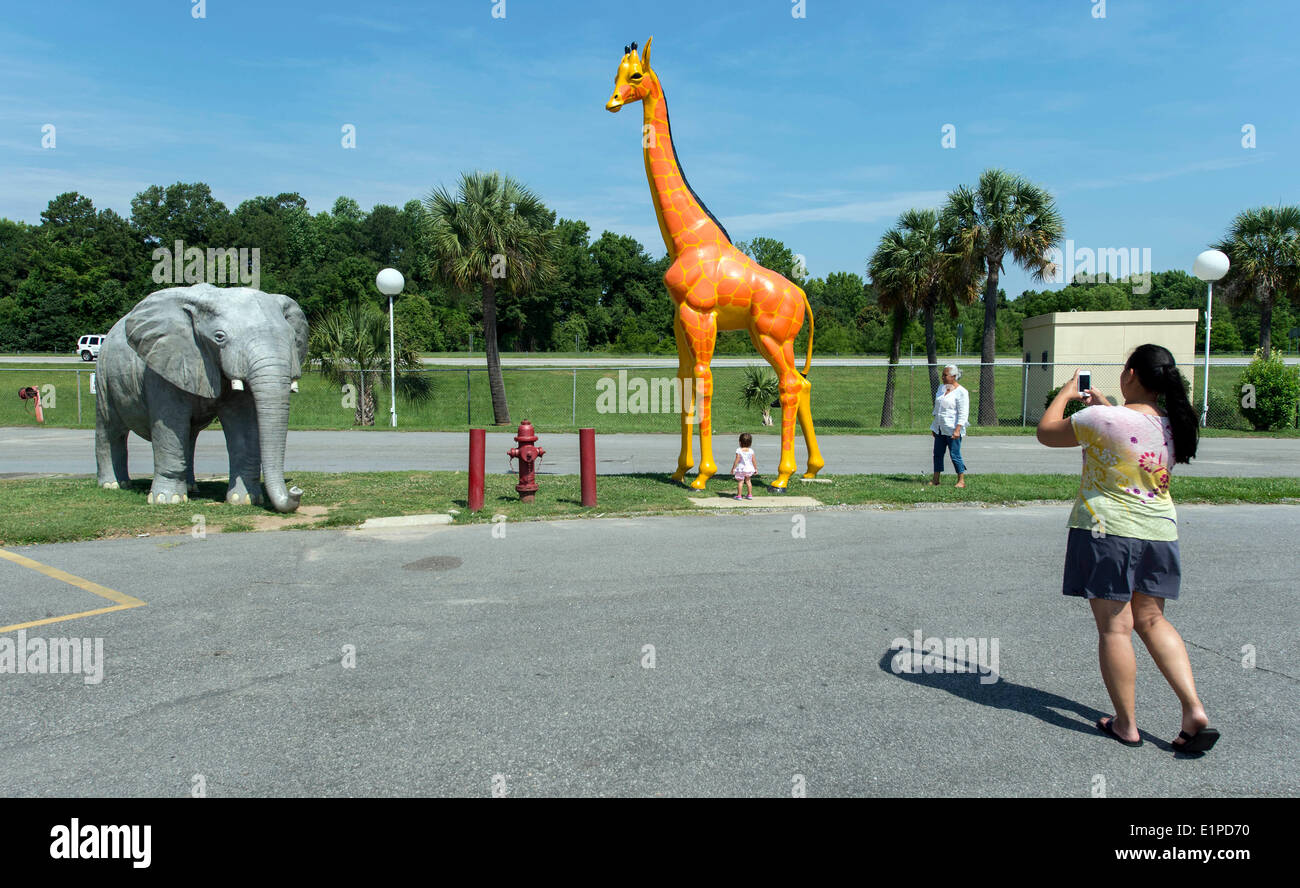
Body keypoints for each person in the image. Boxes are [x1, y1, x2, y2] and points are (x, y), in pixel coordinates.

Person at [1036, 345, 1218, 754]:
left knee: (1115, 627)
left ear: (1131, 374)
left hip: (1107, 532)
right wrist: (1106, 407)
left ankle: (1127, 724)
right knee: (1152, 622)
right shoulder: (1176, 425)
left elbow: (1047, 432)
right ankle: (1193, 708)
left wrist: (1066, 394)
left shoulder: (1100, 418)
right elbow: (1128, 431)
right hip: (1160, 533)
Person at [930, 364, 969, 488]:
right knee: (937, 453)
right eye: (942, 375)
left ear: (954, 376)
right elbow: (937, 409)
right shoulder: (941, 388)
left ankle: (961, 480)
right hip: (940, 428)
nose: (943, 377)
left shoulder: (961, 392)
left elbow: (963, 413)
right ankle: (936, 479)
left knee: (955, 455)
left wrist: (958, 429)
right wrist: (934, 427)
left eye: (945, 375)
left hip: (953, 430)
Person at [731, 433, 757, 500]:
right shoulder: (751, 451)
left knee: (740, 481)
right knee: (748, 481)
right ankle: (749, 495)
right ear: (750, 443)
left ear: (740, 442)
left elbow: (737, 460)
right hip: (749, 468)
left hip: (741, 468)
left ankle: (739, 496)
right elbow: (753, 460)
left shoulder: (739, 450)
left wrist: (733, 468)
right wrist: (755, 468)